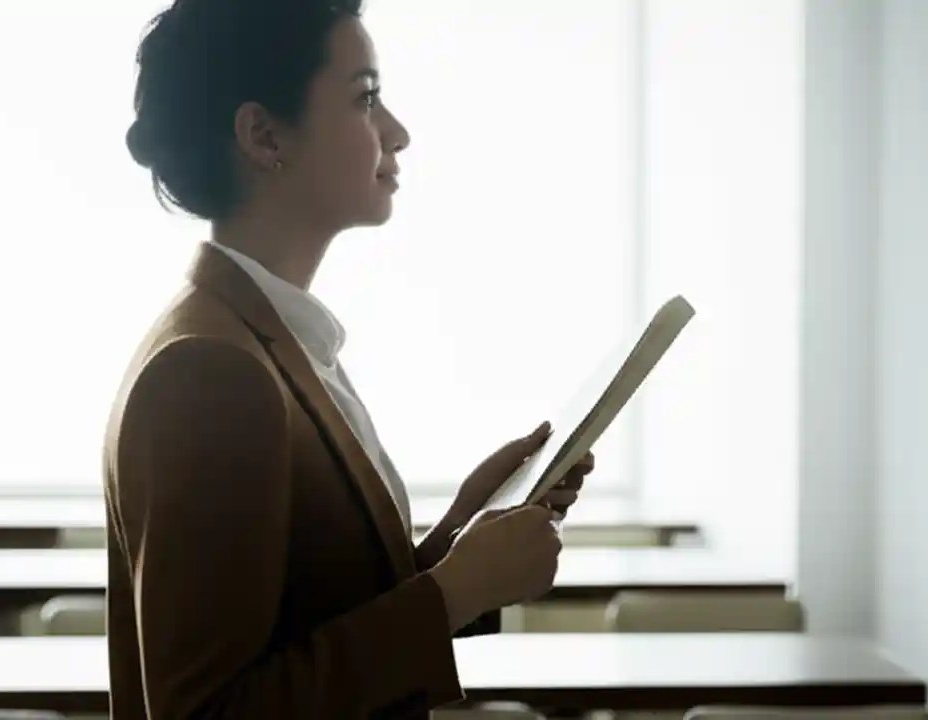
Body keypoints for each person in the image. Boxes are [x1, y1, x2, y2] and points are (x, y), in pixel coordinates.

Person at [102, 0, 595, 717]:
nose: (397, 131)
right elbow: (211, 712)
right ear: (264, 135)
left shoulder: (265, 334)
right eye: (365, 98)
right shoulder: (209, 370)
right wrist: (453, 592)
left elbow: (315, 617)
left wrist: (459, 540)